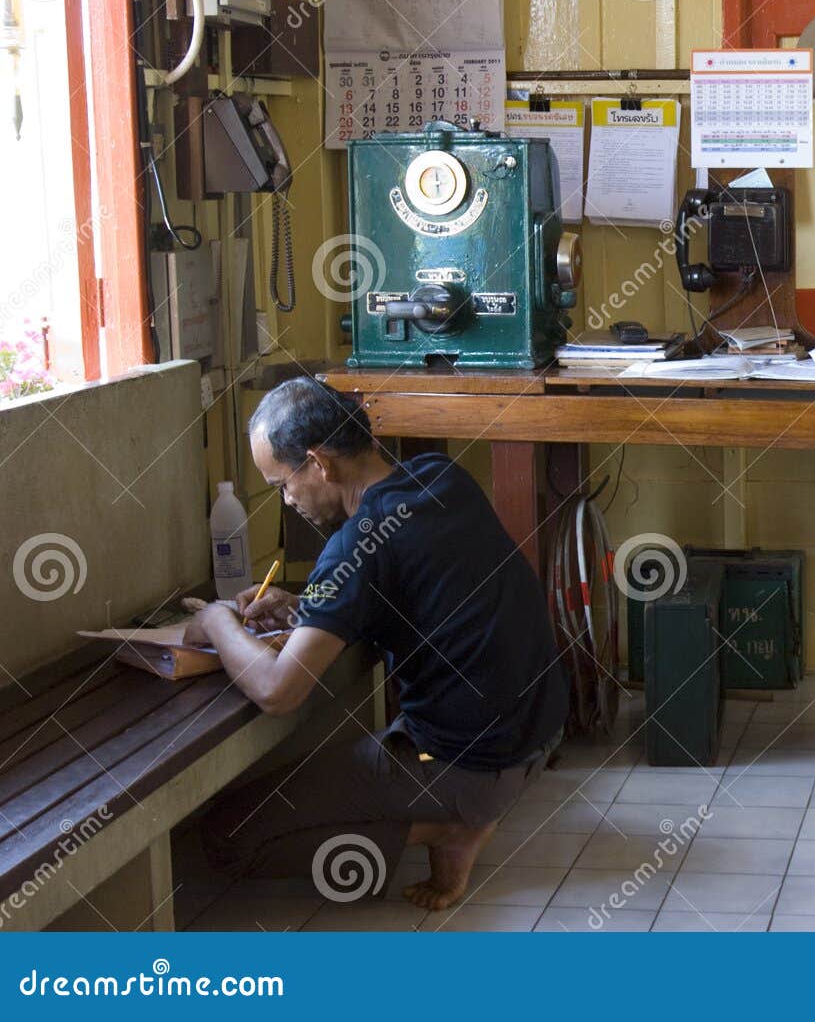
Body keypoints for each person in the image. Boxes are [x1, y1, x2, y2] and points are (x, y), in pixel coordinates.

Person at [189, 377, 568, 911]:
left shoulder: (354, 548)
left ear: (319, 464)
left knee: (227, 836)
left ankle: (447, 829)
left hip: (471, 766)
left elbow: (277, 691)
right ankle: (459, 811)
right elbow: (416, 588)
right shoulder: (439, 476)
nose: (287, 500)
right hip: (535, 738)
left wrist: (216, 620)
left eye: (282, 485)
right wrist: (309, 605)